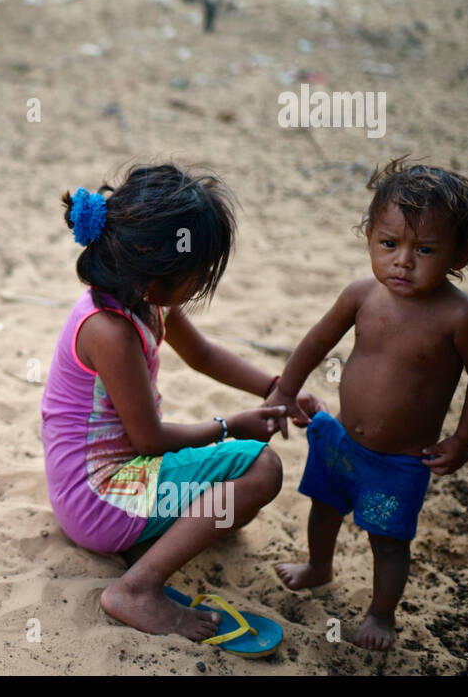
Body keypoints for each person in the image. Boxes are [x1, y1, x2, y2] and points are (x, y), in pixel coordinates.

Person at [41, 164, 323, 642]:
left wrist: (276, 390)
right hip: (97, 496)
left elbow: (203, 355)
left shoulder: (144, 296)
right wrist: (230, 427)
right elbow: (149, 440)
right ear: (160, 273)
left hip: (105, 484)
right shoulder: (109, 331)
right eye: (200, 273)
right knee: (261, 470)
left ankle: (147, 544)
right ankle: (136, 589)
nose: (203, 282)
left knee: (231, 490)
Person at [271, 159, 468, 650]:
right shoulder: (361, 295)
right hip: (342, 441)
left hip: (399, 462)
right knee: (323, 507)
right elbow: (314, 344)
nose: (403, 261)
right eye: (390, 244)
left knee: (390, 541)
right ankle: (319, 564)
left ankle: (381, 613)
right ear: (370, 236)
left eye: (426, 250)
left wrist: (463, 439)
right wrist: (285, 390)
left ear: (459, 253)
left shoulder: (460, 318)